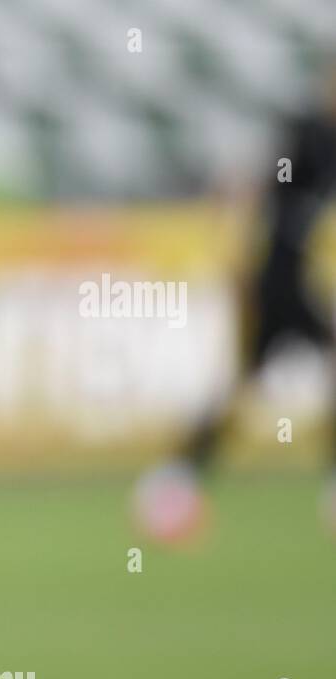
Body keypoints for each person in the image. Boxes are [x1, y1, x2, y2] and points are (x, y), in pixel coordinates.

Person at [134, 62, 336, 541]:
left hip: (292, 276)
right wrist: (238, 257)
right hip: (276, 279)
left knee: (245, 383)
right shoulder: (307, 132)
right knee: (247, 383)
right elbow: (256, 191)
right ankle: (176, 476)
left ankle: (176, 476)